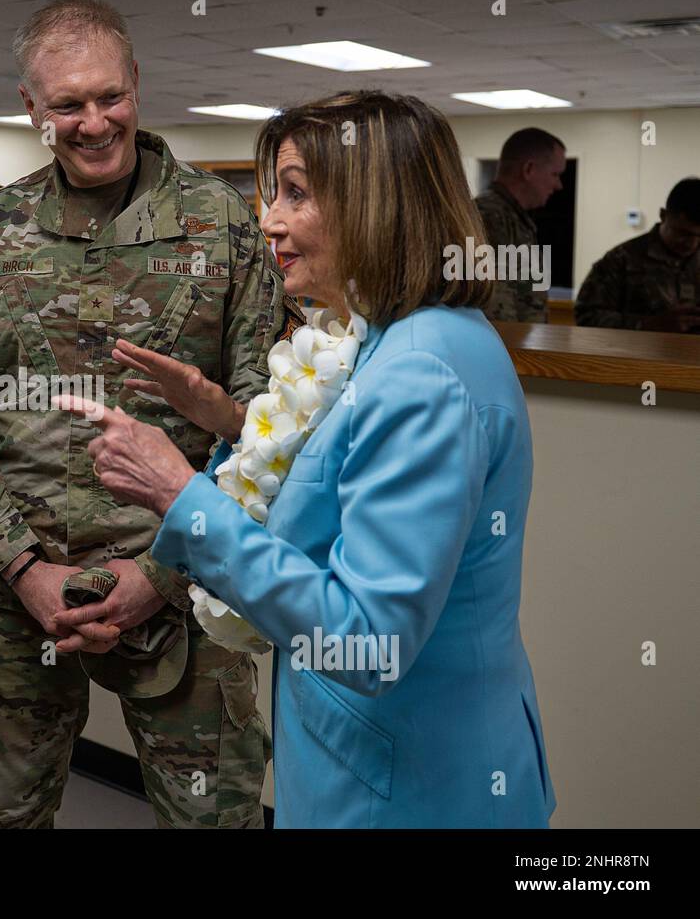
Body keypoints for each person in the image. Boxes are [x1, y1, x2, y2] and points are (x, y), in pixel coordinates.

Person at [59, 91, 557, 828]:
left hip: (409, 789)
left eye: (296, 193)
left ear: (373, 205)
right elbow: (339, 484)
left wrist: (179, 493)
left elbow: (369, 640)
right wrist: (224, 415)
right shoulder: (400, 338)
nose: (270, 220)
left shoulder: (420, 373)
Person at [0, 0, 288, 828]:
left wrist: (160, 574)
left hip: (187, 594)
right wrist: (21, 566)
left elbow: (266, 429)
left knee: (212, 818)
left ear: (138, 85)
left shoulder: (221, 225)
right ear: (31, 110)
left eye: (109, 96)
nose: (93, 122)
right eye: (67, 105)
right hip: (18, 594)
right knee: (8, 814)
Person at [575, 177, 700, 332]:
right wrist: (647, 324)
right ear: (663, 215)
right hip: (640, 354)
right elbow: (587, 317)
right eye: (683, 233)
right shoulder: (622, 260)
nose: (692, 243)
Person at [475, 127, 566, 323]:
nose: (559, 185)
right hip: (505, 348)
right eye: (555, 174)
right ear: (529, 170)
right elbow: (495, 307)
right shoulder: (488, 216)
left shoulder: (513, 217)